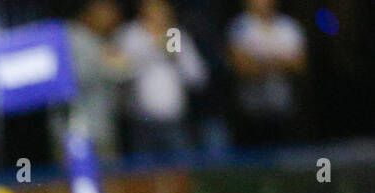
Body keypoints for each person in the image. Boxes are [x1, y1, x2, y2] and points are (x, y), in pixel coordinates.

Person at [118, 0, 207, 158]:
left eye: (161, 11)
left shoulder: (175, 35)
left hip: (174, 119)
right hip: (140, 120)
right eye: (152, 10)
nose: (157, 15)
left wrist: (176, 56)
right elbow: (120, 73)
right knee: (144, 174)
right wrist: (152, 49)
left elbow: (197, 78)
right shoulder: (131, 35)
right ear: (142, 11)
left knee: (180, 171)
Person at [52, 0, 129, 163]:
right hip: (76, 135)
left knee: (110, 184)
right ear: (91, 13)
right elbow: (67, 80)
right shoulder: (70, 37)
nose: (113, 18)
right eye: (107, 12)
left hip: (102, 130)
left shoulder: (100, 40)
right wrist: (103, 65)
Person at [226, 0, 306, 148]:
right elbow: (242, 68)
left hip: (283, 105)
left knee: (287, 158)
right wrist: (279, 61)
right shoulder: (239, 27)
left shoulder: (288, 26)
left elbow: (299, 65)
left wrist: (260, 61)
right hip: (252, 109)